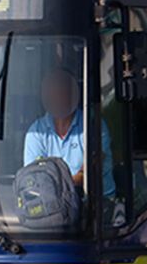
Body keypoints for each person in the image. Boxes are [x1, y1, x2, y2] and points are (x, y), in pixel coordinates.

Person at [22, 68, 116, 197]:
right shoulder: (36, 131)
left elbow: (90, 169)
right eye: (52, 93)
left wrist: (58, 185)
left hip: (97, 204)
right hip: (53, 206)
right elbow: (34, 177)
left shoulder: (94, 125)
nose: (57, 97)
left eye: (62, 91)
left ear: (73, 94)